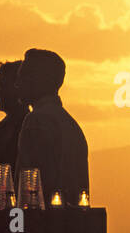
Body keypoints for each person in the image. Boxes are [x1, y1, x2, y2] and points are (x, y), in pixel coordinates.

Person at [16, 48, 88, 206]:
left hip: (42, 224)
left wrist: (18, 226)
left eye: (24, 75)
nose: (17, 83)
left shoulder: (36, 121)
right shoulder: (70, 124)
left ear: (39, 79)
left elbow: (29, 189)